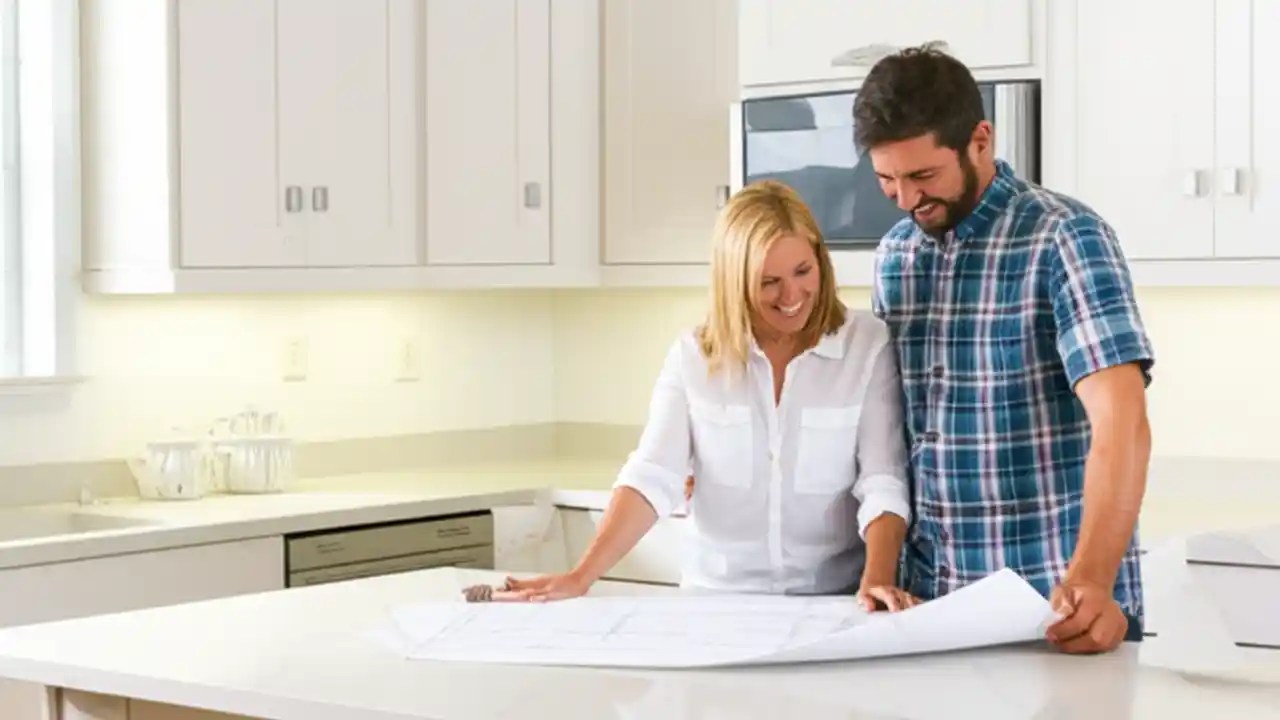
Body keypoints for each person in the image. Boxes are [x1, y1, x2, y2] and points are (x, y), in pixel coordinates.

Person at [853, 47, 1156, 653]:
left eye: (923, 176)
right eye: (887, 180)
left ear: (980, 140)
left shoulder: (1065, 237)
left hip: (1049, 609)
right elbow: (885, 427)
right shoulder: (895, 255)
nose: (907, 200)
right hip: (927, 606)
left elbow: (1121, 423)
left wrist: (1093, 578)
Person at [506, 181, 916, 611]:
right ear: (733, 282)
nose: (793, 296)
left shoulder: (866, 346)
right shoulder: (694, 356)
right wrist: (579, 576)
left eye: (803, 271)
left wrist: (875, 581)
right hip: (715, 604)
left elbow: (882, 481)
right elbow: (652, 475)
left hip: (829, 601)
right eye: (769, 282)